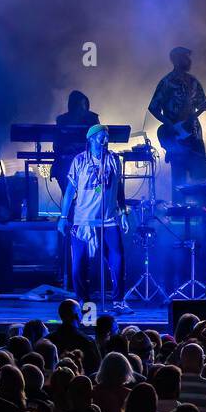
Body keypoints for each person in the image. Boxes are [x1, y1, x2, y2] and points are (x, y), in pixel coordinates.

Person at [57, 124, 129, 309]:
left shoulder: (113, 160)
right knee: (78, 266)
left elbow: (119, 188)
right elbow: (70, 191)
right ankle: (85, 303)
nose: (105, 140)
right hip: (83, 220)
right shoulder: (79, 160)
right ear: (91, 138)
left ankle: (119, 301)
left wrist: (123, 213)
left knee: (118, 260)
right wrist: (63, 217)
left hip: (109, 220)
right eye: (101, 136)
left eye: (107, 136)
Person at [149, 46, 206, 186]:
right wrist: (170, 125)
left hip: (195, 136)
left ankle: (200, 208)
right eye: (185, 57)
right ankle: (179, 208)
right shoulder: (166, 83)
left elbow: (202, 104)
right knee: (179, 182)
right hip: (176, 141)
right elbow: (153, 107)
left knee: (200, 179)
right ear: (176, 60)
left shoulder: (193, 82)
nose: (189, 61)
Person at [50, 90, 100, 196]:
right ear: (73, 105)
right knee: (67, 183)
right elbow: (57, 143)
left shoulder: (92, 118)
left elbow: (99, 140)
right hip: (67, 160)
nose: (82, 108)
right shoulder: (63, 119)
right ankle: (70, 206)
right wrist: (68, 148)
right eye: (80, 105)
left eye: (84, 105)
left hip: (88, 160)